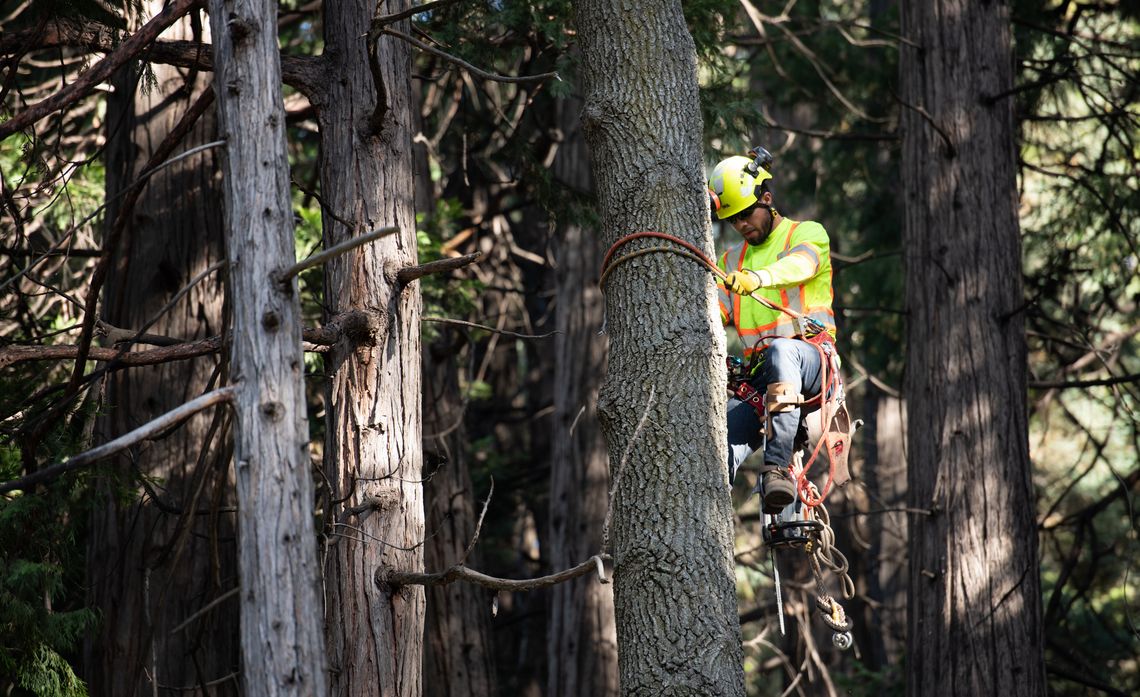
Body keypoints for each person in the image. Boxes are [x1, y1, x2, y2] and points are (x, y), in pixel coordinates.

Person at [707, 149, 840, 513]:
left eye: (747, 214)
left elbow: (803, 263)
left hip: (812, 363)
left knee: (783, 350)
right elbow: (711, 314)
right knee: (717, 446)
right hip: (762, 381)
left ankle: (777, 468)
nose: (742, 225)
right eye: (733, 220)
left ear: (766, 199)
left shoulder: (806, 233)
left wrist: (758, 279)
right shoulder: (731, 261)